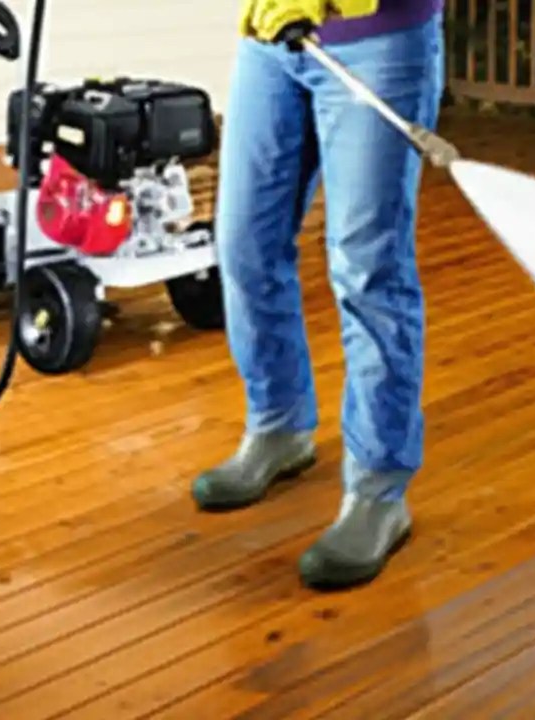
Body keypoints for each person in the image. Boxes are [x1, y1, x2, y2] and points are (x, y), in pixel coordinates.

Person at [190, 0, 446, 590]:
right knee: (245, 243)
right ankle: (278, 424)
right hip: (272, 38)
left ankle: (378, 491)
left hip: (380, 39)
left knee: (368, 269)